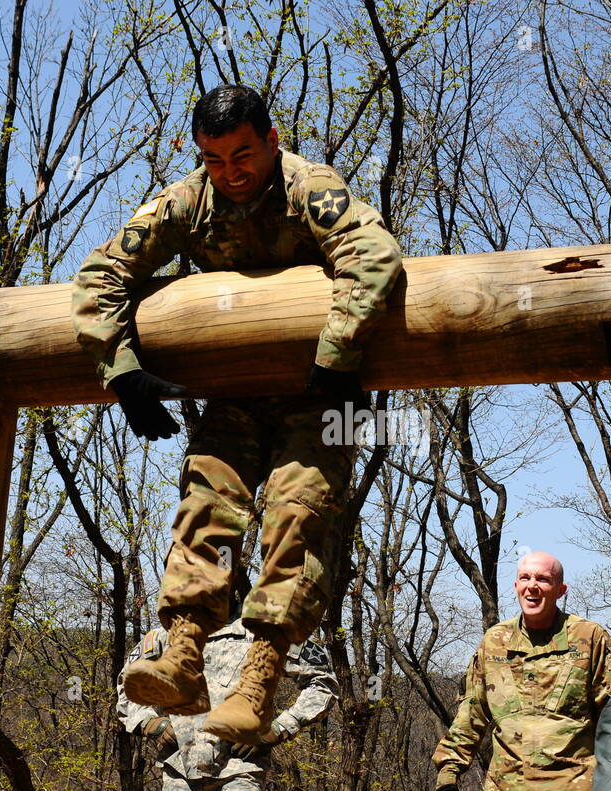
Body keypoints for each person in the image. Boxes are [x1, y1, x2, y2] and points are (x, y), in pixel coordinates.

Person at [73, 84, 402, 744]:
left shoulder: (308, 184)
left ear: (271, 140)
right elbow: (101, 272)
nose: (231, 172)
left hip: (319, 394)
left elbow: (374, 254)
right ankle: (185, 654)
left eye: (243, 155)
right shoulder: (187, 200)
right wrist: (123, 369)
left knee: (297, 512)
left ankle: (259, 680)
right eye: (215, 159)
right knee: (207, 500)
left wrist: (336, 355)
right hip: (235, 391)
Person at [432, 551, 611, 791]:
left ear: (560, 590)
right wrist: (448, 775)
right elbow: (472, 712)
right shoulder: (495, 641)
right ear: (516, 586)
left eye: (543, 579)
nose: (533, 586)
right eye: (526, 578)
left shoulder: (588, 638)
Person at [117, 617, 337, 791]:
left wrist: (278, 728)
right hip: (180, 775)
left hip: (238, 774)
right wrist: (150, 723)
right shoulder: (165, 637)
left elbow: (322, 682)